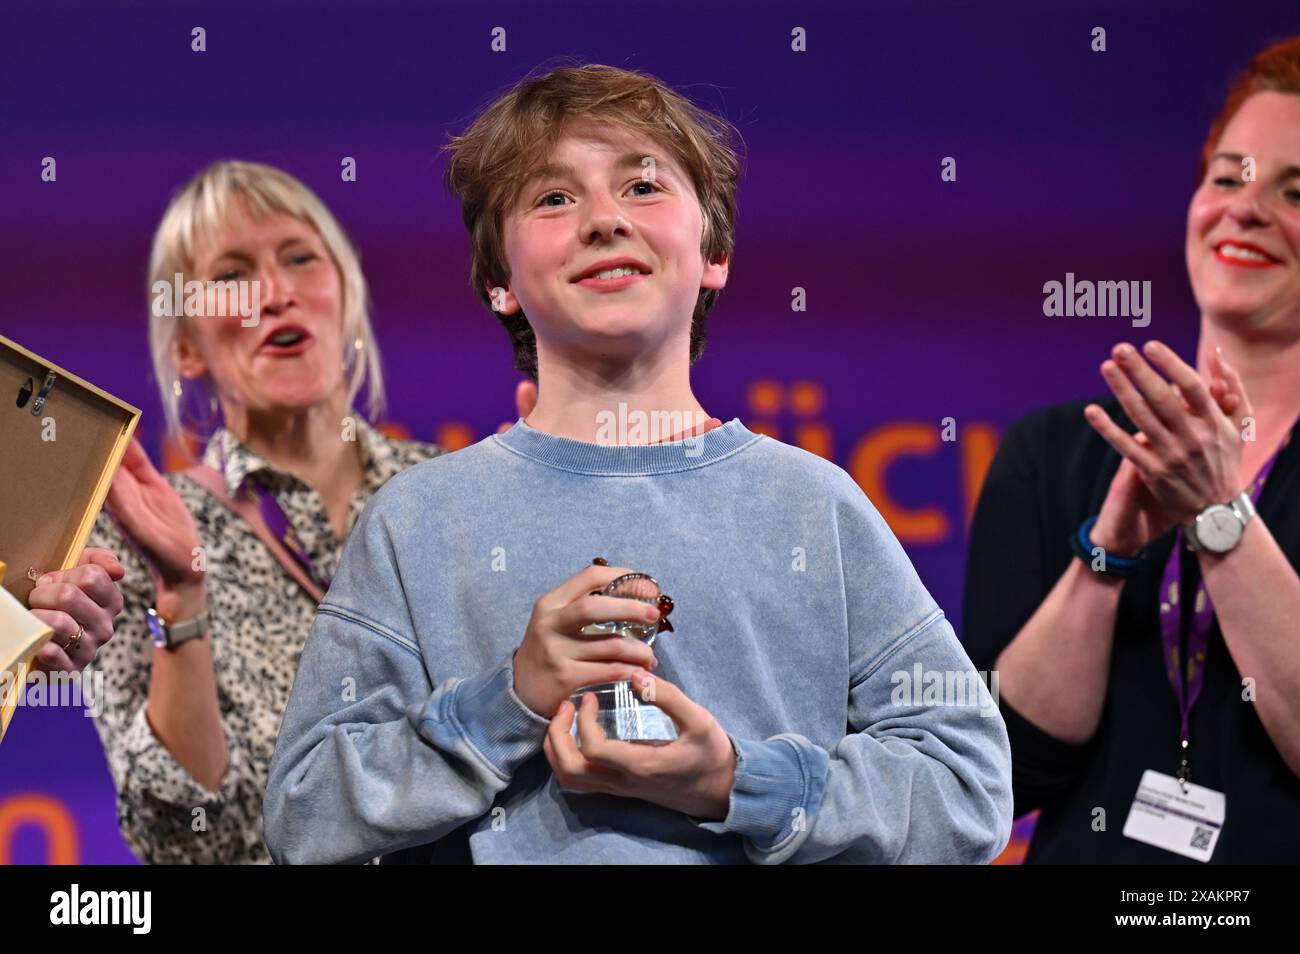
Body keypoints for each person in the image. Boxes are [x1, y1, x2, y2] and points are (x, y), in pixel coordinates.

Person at [263, 63, 1013, 865]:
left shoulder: (813, 506)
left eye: (644, 186)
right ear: (498, 282)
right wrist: (507, 700)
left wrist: (731, 781)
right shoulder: (415, 522)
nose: (603, 220)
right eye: (553, 198)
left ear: (714, 251)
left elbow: (967, 788)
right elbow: (304, 816)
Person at [83, 160, 530, 863]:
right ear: (186, 349)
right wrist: (181, 592)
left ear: (345, 298)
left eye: (300, 258)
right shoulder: (138, 534)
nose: (277, 293)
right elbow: (188, 843)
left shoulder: (454, 493)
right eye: (230, 276)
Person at [963, 38, 1300, 863]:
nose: (1244, 209)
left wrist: (1220, 516)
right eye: (1228, 176)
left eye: (1296, 191)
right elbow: (1002, 771)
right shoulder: (1056, 453)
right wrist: (1104, 556)